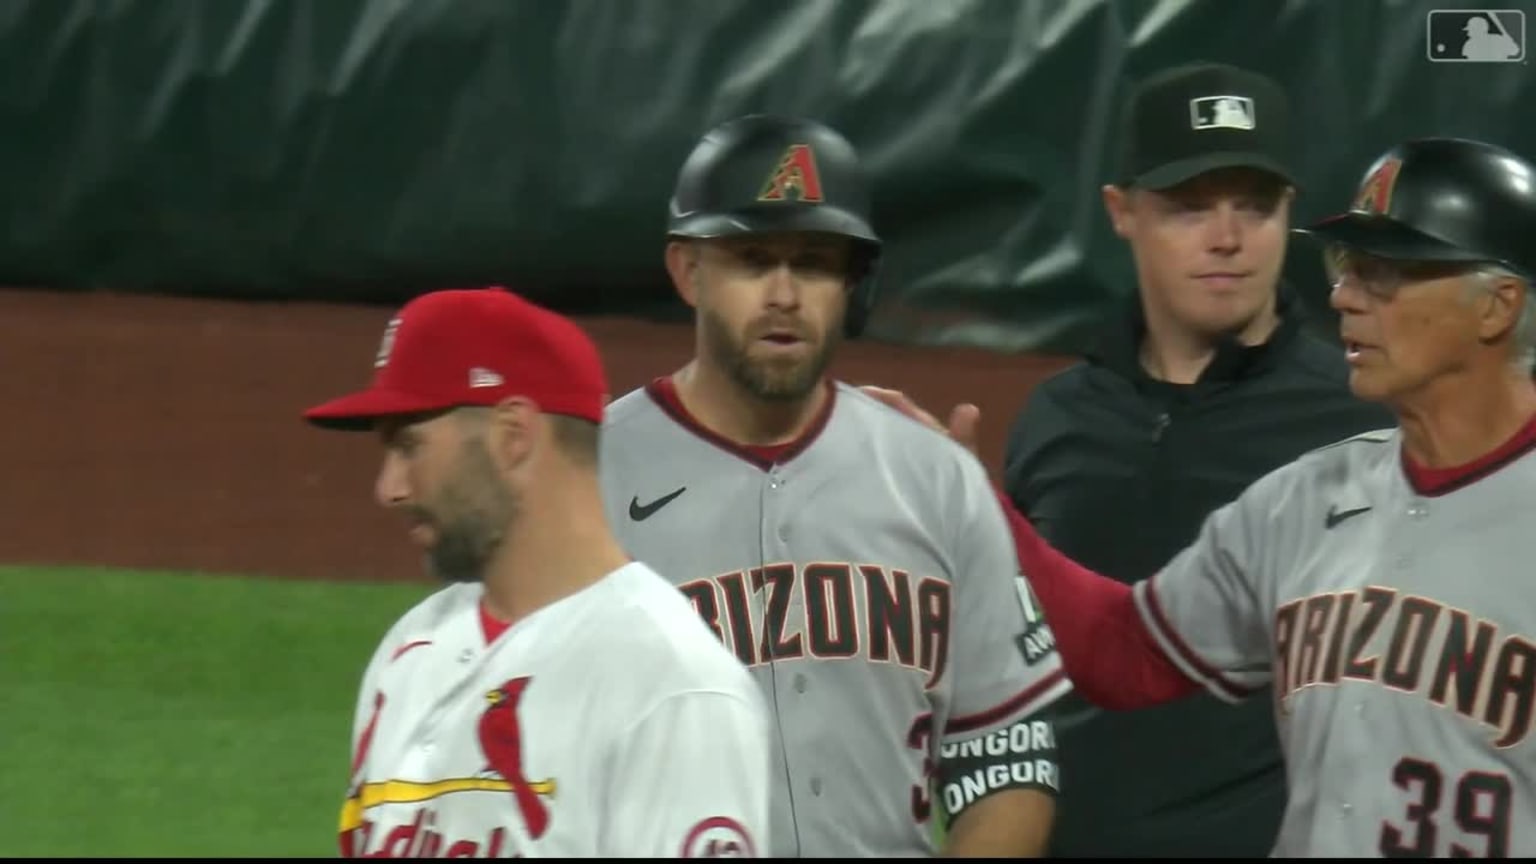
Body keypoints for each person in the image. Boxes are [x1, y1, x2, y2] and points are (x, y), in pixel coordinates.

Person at [867, 135, 1536, 857]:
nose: (1344, 296)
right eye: (1349, 267)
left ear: (1496, 307)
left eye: (1386, 274)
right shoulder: (1303, 499)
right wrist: (979, 505)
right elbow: (1125, 650)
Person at [596, 113, 1072, 857]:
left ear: (851, 284)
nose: (785, 293)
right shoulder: (589, 477)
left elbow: (1009, 761)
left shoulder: (938, 480)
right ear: (690, 273)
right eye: (753, 259)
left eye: (815, 263)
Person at [1000, 61, 1393, 857]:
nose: (1227, 237)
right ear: (1121, 212)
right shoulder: (1058, 418)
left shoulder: (1360, 418)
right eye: (1187, 206)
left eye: (1256, 206)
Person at [302, 286, 773, 858]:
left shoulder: (673, 688)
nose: (389, 489)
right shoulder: (410, 650)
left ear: (513, 436)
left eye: (410, 446)